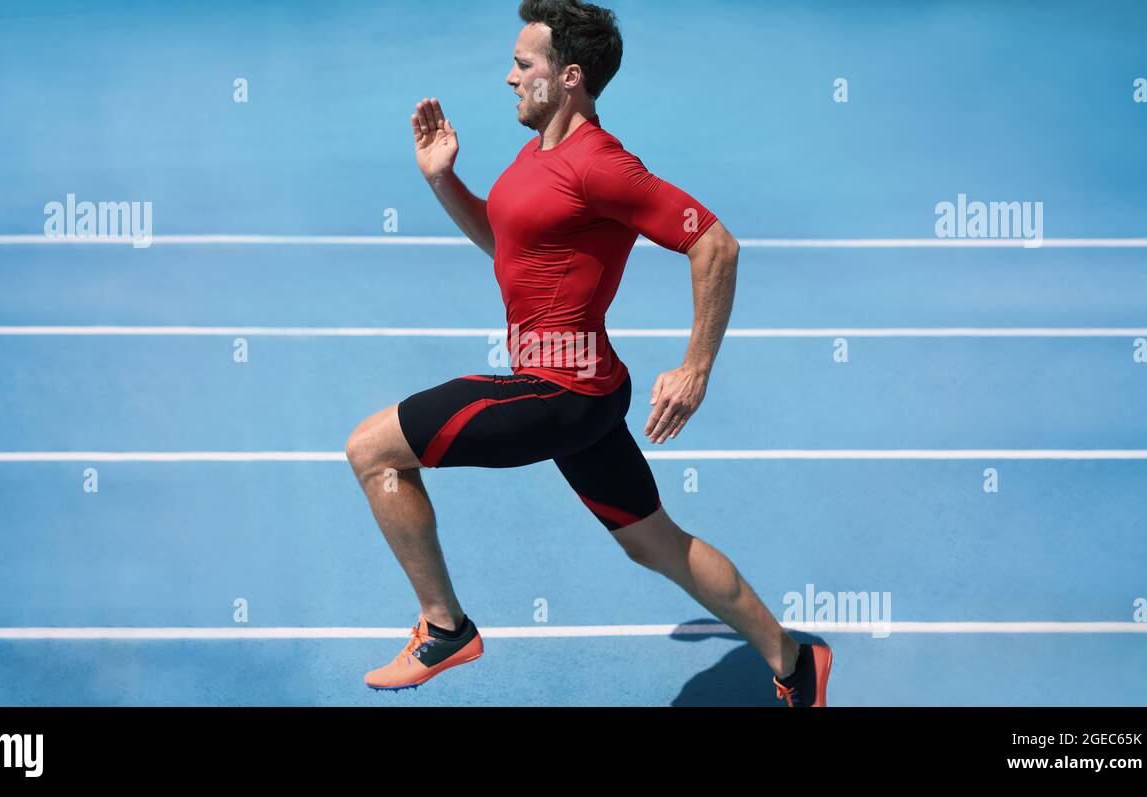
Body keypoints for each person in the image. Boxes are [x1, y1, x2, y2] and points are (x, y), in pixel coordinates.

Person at [345, 0, 832, 706]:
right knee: (656, 543)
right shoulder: (537, 152)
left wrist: (695, 367)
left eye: (523, 63)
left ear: (568, 76)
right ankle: (796, 664)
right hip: (587, 389)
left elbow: (715, 243)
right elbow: (507, 244)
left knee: (372, 450)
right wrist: (442, 179)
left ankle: (445, 627)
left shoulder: (603, 166)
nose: (508, 77)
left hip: (561, 392)